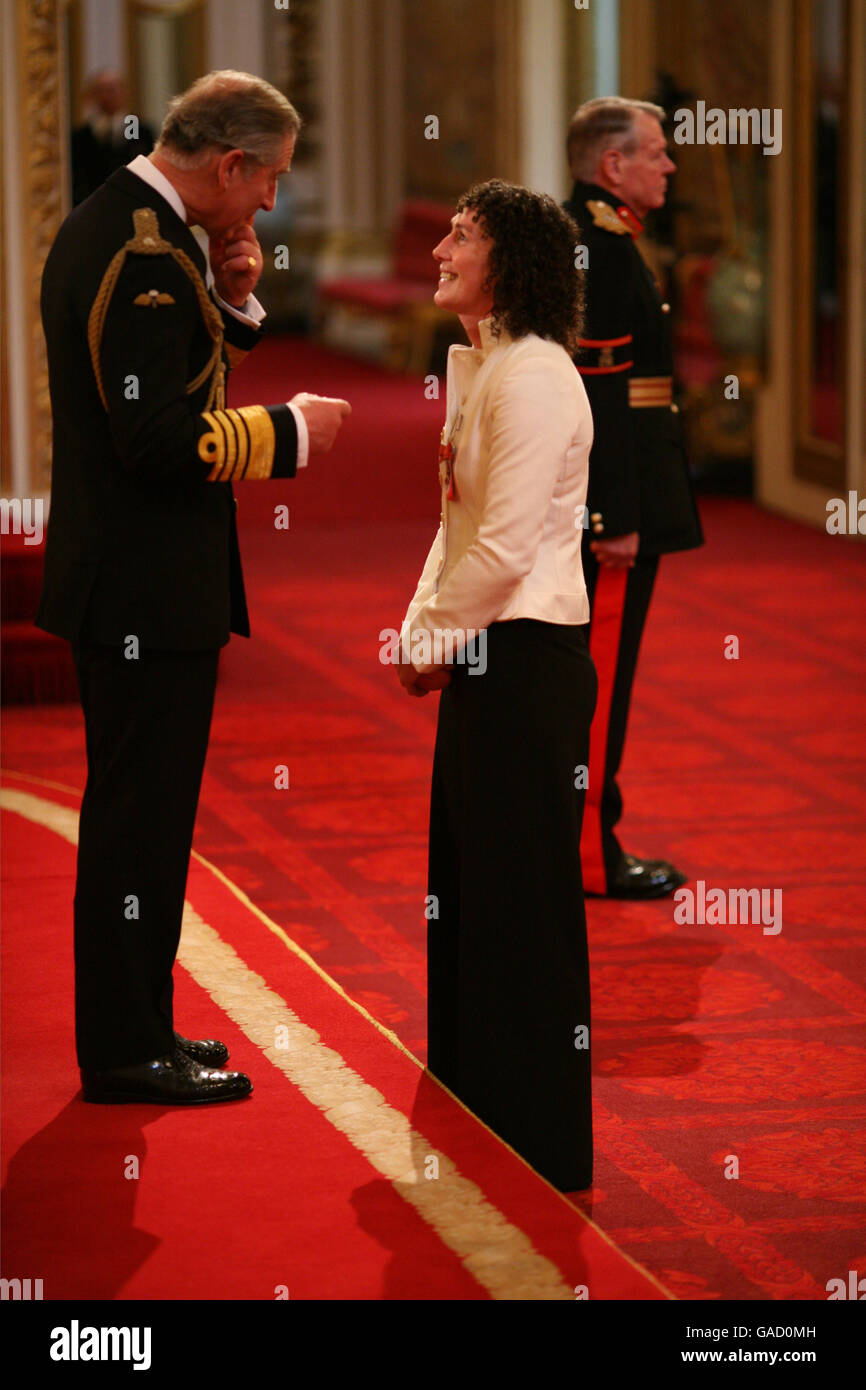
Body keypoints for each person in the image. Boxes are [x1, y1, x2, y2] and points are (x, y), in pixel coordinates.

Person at [37, 70, 350, 1104]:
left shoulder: (143, 232)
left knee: (146, 821)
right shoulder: (141, 253)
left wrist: (234, 294)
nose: (268, 202)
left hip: (135, 581)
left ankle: (141, 1022)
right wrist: (291, 434)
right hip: (139, 591)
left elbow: (175, 365)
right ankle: (126, 1047)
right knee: (139, 822)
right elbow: (158, 439)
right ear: (228, 163)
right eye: (266, 182)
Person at [397, 181, 597, 1193]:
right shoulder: (488, 367)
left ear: (507, 261)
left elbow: (510, 545)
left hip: (528, 660)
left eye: (460, 236)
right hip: (488, 654)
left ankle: (542, 1140)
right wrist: (419, 633)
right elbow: (456, 526)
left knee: (524, 904)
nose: (438, 247)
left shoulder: (533, 377)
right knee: (469, 888)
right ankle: (481, 1106)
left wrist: (428, 643)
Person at [564, 97, 703, 900]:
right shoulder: (602, 247)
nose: (669, 165)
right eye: (656, 152)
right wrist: (612, 516)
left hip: (624, 492)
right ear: (613, 165)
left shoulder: (601, 237)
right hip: (614, 505)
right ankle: (590, 851)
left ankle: (585, 836)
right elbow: (600, 391)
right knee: (600, 679)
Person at [71, 71, 155, 206]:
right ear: (92, 96)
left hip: (132, 201)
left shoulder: (137, 128)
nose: (109, 96)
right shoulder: (81, 136)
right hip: (93, 204)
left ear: (124, 92)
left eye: (113, 89)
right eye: (102, 90)